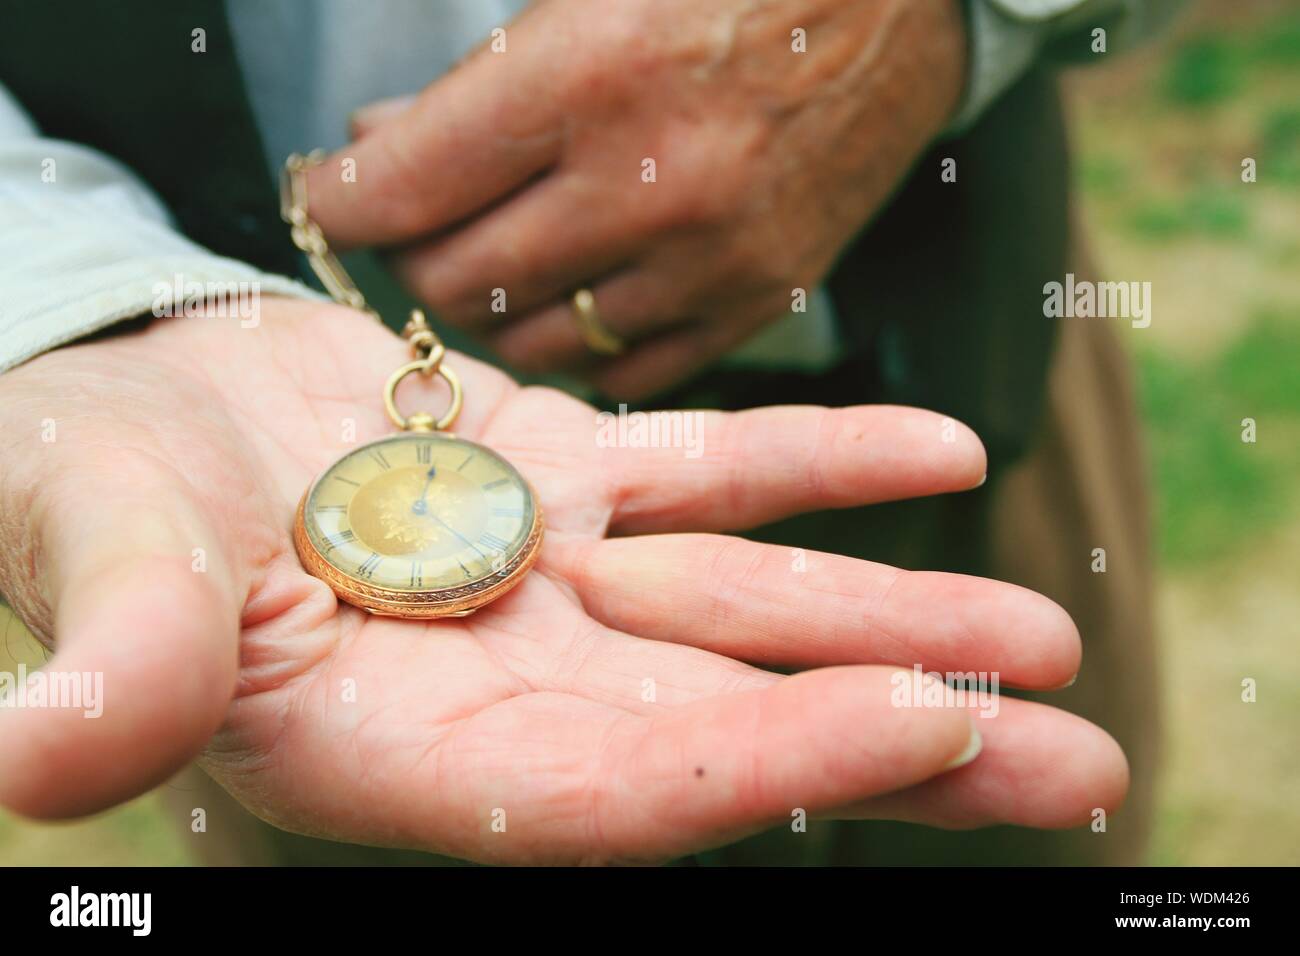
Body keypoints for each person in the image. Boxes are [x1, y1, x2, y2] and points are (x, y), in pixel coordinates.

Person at [0, 0, 1179, 865]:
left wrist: (946, 19)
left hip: (952, 327)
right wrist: (77, 300)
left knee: (1015, 791)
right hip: (254, 387)